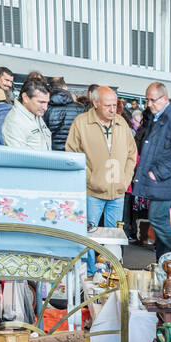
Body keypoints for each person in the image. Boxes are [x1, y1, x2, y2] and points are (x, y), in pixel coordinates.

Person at [64, 85, 137, 270]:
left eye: (115, 105)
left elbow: (131, 154)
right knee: (88, 236)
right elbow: (72, 153)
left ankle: (111, 275)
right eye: (108, 106)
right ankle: (88, 274)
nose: (113, 110)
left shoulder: (121, 123)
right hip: (91, 191)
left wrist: (125, 179)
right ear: (95, 103)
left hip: (118, 192)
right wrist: (89, 179)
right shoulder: (81, 123)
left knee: (114, 236)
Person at [132, 81, 171, 259]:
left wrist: (157, 173)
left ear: (164, 98)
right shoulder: (160, 118)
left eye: (152, 100)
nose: (149, 104)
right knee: (161, 222)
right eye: (147, 100)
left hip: (167, 182)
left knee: (158, 219)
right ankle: (164, 263)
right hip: (164, 182)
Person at [2, 75, 51, 149]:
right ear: (25, 98)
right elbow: (16, 158)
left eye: (47, 103)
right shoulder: (15, 122)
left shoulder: (35, 114)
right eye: (41, 102)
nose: (45, 108)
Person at [43, 77, 80, 150]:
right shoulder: (80, 108)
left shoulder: (44, 108)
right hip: (72, 152)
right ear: (65, 87)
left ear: (50, 88)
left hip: (50, 151)